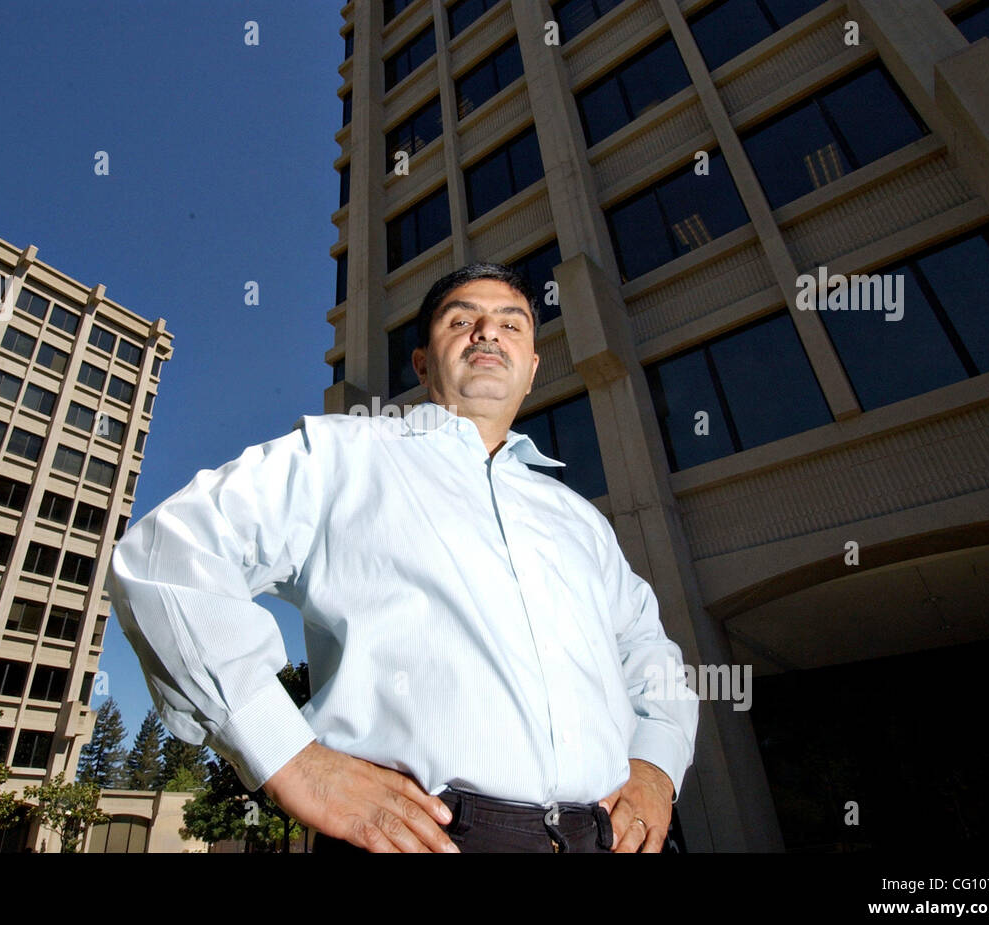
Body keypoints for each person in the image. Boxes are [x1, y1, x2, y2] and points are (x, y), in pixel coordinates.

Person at [107, 261, 699, 853]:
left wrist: (656, 767)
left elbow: (645, 648)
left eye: (511, 325)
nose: (488, 334)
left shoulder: (580, 520)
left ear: (532, 367)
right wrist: (288, 754)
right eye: (462, 320)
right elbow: (168, 555)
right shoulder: (340, 455)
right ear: (421, 362)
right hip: (423, 837)